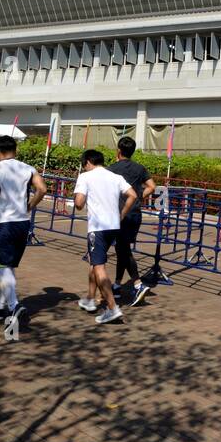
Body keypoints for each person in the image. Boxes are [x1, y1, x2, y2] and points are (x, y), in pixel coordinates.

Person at [0, 135, 47, 328]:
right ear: (15, 150)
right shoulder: (28, 168)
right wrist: (30, 206)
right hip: (22, 223)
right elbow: (42, 189)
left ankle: (14, 306)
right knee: (7, 266)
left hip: (3, 223)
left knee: (3, 266)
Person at [73, 149, 139, 325]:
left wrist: (79, 199)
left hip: (98, 228)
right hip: (114, 226)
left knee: (99, 266)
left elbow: (79, 203)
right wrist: (122, 213)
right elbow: (133, 195)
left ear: (88, 162)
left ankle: (112, 308)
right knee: (95, 262)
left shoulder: (85, 177)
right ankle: (89, 298)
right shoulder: (114, 176)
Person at [106, 136, 156, 306]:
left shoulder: (111, 169)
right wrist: (139, 197)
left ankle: (137, 283)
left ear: (118, 151)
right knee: (122, 248)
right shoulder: (139, 168)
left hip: (120, 214)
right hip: (135, 214)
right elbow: (152, 186)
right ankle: (117, 285)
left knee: (124, 249)